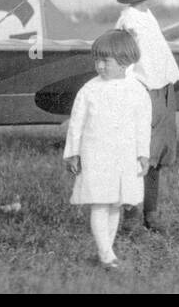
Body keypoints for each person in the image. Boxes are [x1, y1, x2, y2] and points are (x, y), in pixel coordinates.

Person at [63, 30, 151, 269]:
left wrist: (143, 153)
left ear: (124, 62)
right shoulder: (89, 90)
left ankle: (107, 251)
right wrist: (73, 152)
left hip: (124, 157)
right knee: (100, 203)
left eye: (106, 61)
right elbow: (76, 123)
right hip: (97, 155)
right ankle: (105, 255)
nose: (100, 66)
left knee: (115, 203)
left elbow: (143, 125)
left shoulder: (137, 90)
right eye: (97, 60)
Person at [115, 0, 179, 232]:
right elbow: (124, 62)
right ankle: (131, 218)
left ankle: (151, 214)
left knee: (158, 155)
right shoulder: (129, 21)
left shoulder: (147, 15)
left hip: (163, 91)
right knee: (138, 156)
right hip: (143, 94)